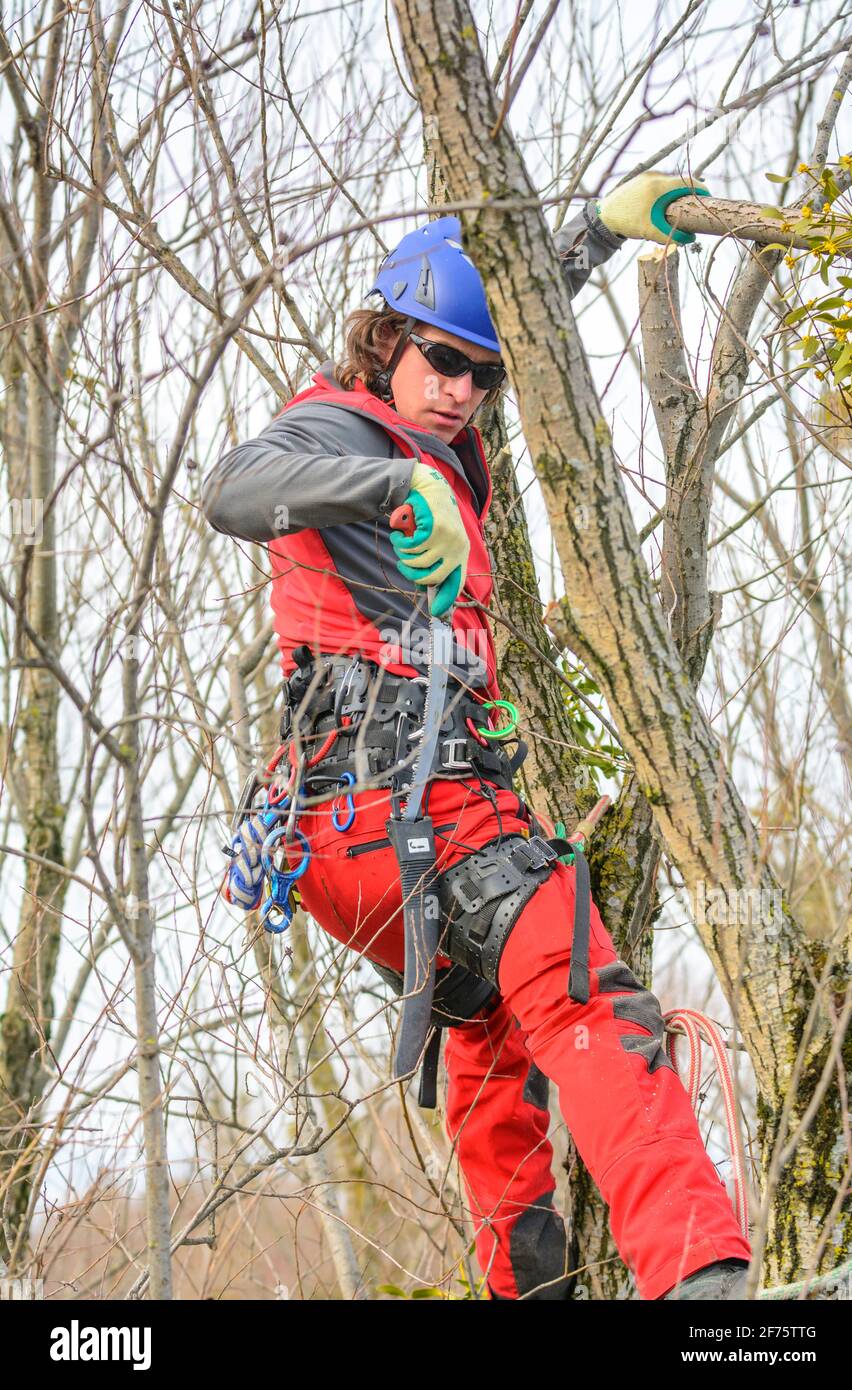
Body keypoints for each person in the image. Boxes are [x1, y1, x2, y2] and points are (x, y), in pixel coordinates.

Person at [202, 172, 753, 1301]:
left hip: (371, 848)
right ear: (383, 340)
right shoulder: (333, 426)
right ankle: (703, 1285)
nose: (460, 392)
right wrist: (391, 481)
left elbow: (508, 295)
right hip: (402, 812)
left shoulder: (435, 416)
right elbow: (233, 487)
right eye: (440, 363)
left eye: (481, 374)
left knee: (495, 1048)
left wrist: (598, 231)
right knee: (585, 994)